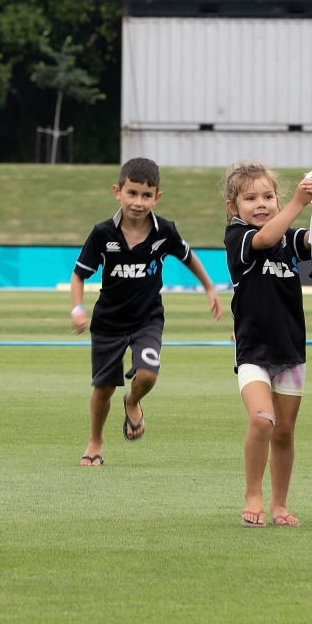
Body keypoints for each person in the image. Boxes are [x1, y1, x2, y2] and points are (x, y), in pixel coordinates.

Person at [69, 157, 221, 466]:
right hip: (109, 321)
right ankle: (95, 441)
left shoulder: (164, 231)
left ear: (157, 197)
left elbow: (188, 257)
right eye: (132, 193)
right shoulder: (102, 234)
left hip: (147, 318)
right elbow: (79, 274)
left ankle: (133, 400)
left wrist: (208, 287)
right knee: (103, 387)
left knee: (148, 375)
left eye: (146, 195)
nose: (138, 202)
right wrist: (77, 308)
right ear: (117, 192)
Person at [222, 163, 312, 527]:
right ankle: (253, 496)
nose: (261, 204)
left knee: (284, 432)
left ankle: (280, 504)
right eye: (250, 198)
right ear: (234, 207)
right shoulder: (238, 237)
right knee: (262, 420)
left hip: (291, 352)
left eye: (268, 196)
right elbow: (263, 239)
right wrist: (297, 202)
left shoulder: (289, 237)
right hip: (253, 353)